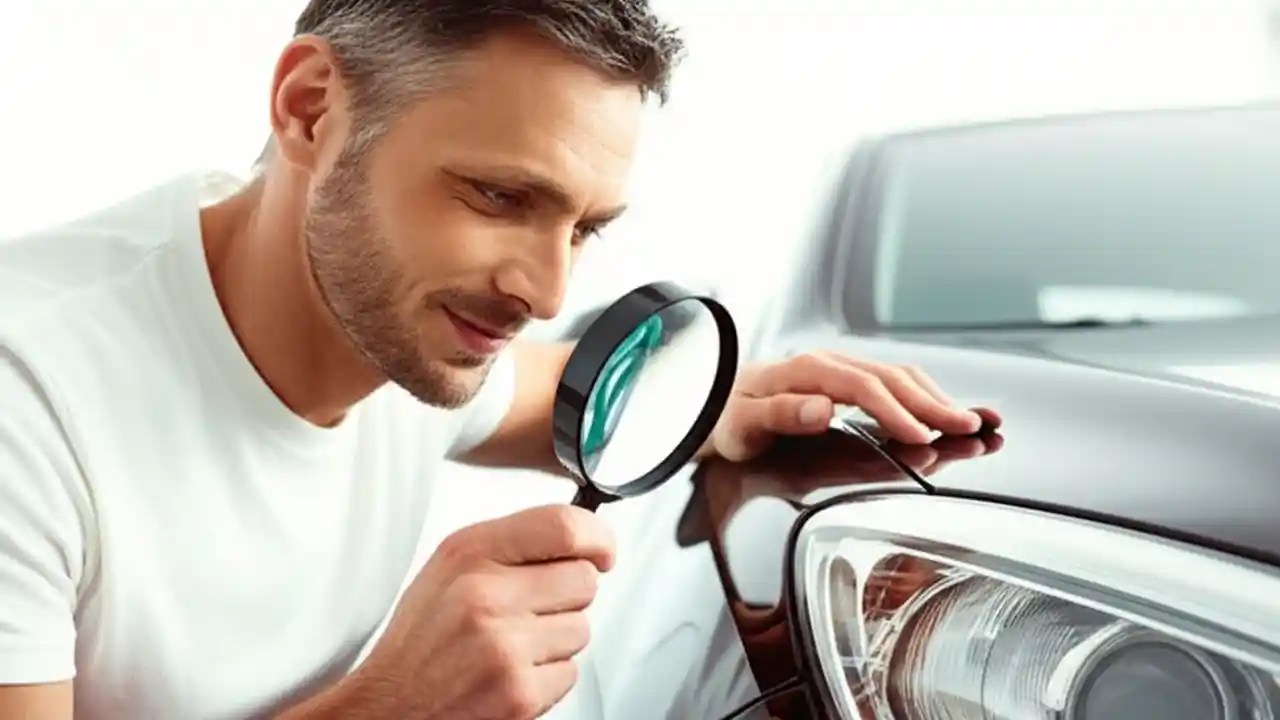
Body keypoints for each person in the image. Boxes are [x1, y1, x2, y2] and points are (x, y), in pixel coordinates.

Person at [0, 1, 996, 718]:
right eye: (498, 197)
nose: (546, 293)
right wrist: (392, 705)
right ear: (309, 110)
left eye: (584, 228)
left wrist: (725, 402)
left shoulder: (394, 322)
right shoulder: (27, 395)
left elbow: (552, 387)